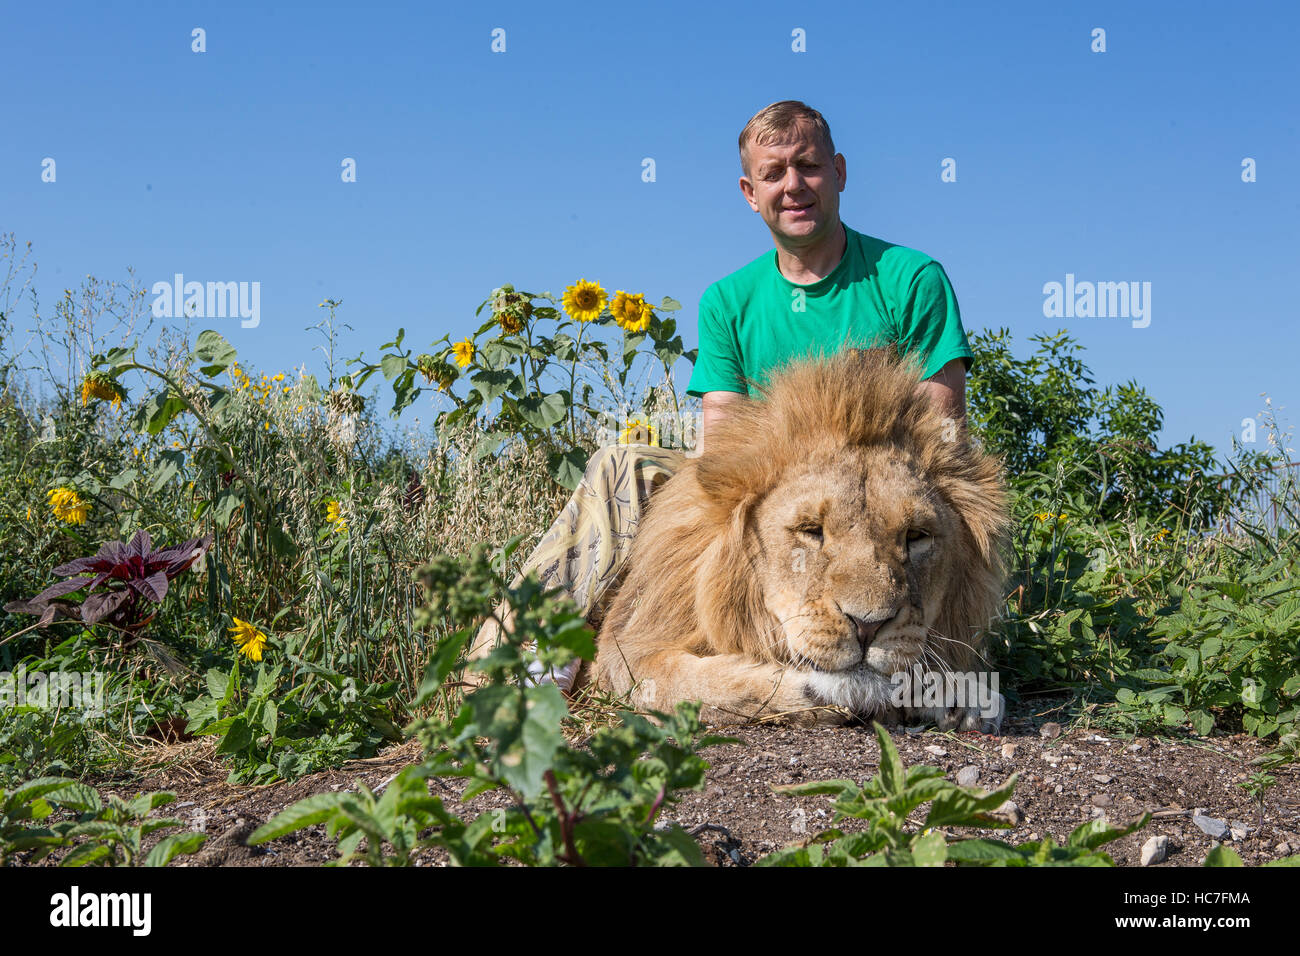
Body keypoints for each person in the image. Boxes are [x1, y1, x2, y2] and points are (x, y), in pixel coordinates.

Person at [466, 100, 975, 690]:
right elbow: (722, 449)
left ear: (839, 171)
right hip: (770, 481)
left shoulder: (911, 279)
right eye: (773, 173)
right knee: (620, 462)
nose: (794, 186)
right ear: (748, 191)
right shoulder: (728, 300)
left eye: (808, 166)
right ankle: (518, 656)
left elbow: (940, 445)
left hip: (876, 492)